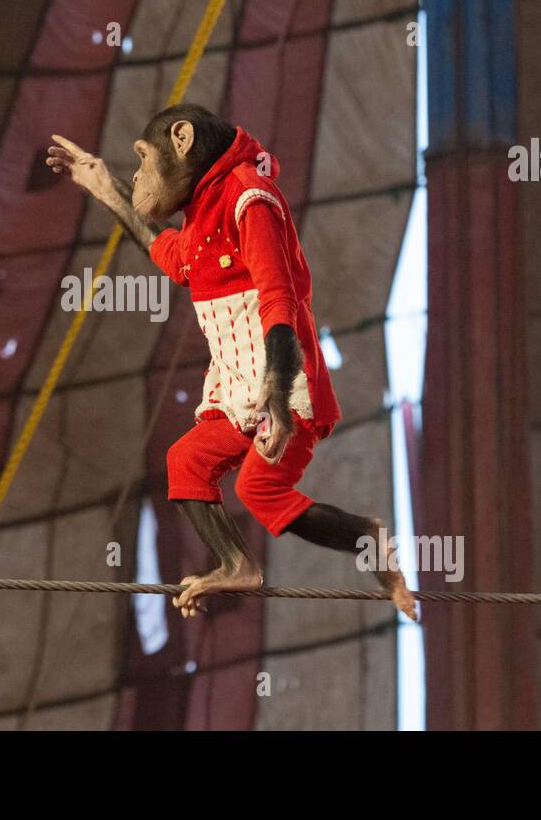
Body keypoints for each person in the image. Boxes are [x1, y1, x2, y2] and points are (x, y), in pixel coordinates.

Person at [47, 104, 416, 621]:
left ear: (182, 139)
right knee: (187, 462)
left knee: (258, 490)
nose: (139, 175)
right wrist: (105, 187)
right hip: (236, 385)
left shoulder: (248, 194)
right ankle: (238, 562)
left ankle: (367, 540)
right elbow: (169, 256)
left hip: (282, 377)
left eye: (143, 160)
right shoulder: (202, 216)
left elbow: (279, 298)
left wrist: (279, 400)